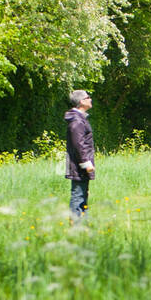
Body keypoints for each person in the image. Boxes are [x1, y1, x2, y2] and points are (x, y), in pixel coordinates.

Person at [65, 89, 95, 222]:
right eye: (88, 97)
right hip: (79, 166)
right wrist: (86, 163)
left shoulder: (79, 119)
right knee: (78, 196)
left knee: (83, 195)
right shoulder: (77, 121)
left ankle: (83, 227)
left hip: (81, 165)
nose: (90, 99)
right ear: (81, 101)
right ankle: (75, 228)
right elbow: (78, 145)